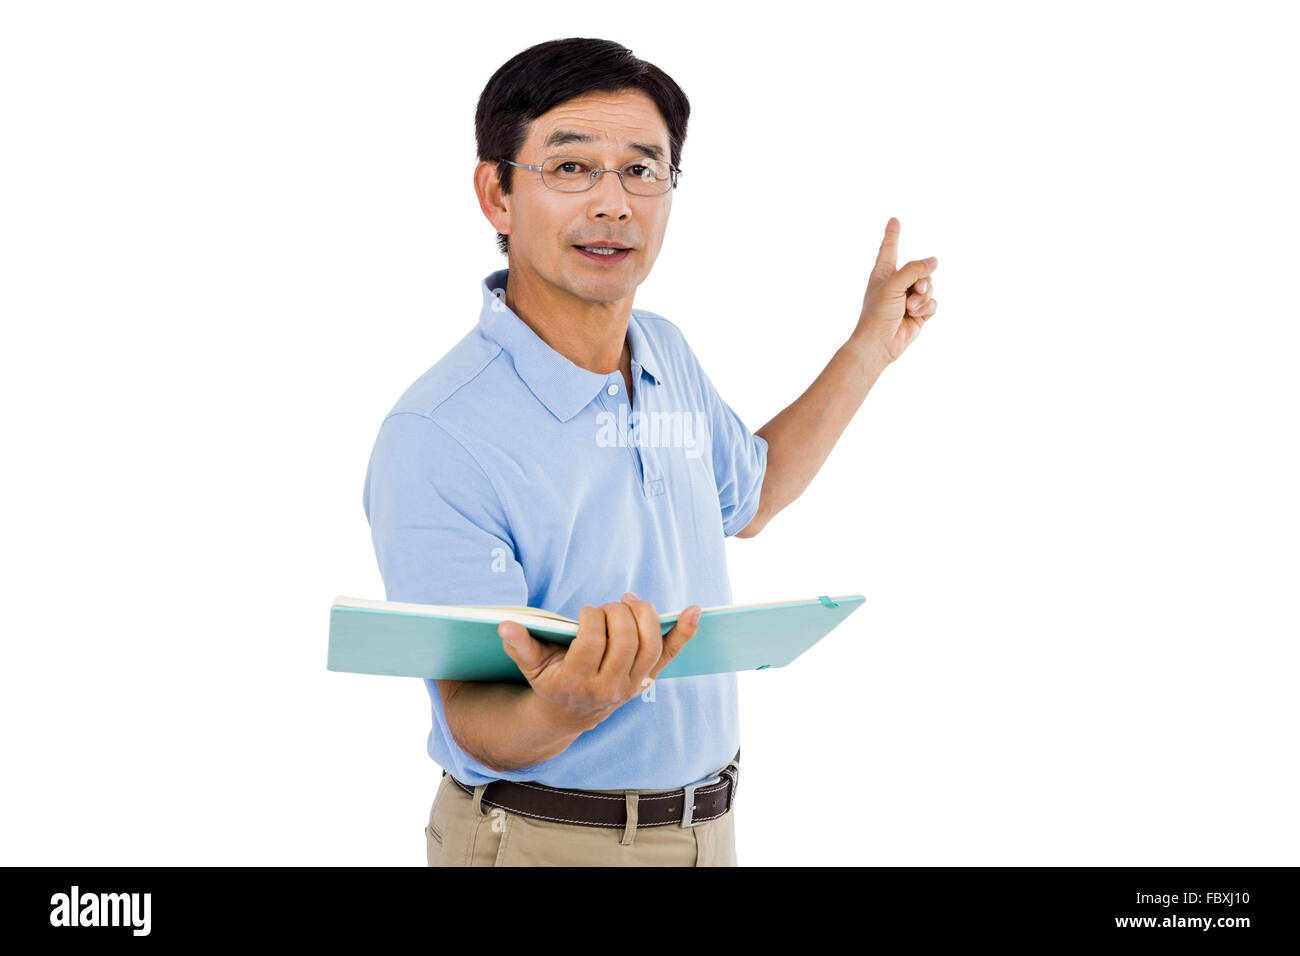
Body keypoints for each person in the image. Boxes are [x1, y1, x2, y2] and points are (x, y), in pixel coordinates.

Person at [361, 37, 940, 867]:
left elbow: (754, 493)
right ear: (497, 192)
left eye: (642, 169)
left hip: (708, 829)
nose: (613, 203)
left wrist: (869, 349)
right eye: (571, 169)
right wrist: (567, 706)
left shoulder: (664, 353)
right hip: (542, 842)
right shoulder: (439, 435)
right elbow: (472, 716)